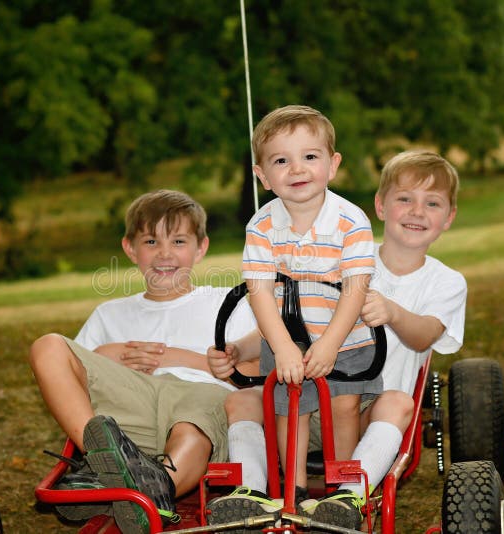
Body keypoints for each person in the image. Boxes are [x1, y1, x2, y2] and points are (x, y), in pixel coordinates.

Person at [207, 149, 467, 531]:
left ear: (449, 217)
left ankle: (348, 497)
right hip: (303, 403)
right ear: (380, 206)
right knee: (242, 399)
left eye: (432, 203)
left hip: (367, 412)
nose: (417, 211)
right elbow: (295, 321)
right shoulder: (342, 255)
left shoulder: (445, 282)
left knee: (397, 402)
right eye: (404, 199)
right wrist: (238, 350)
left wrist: (393, 312)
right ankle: (252, 493)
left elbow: (425, 335)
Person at [28, 189, 259, 534]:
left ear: (201, 248)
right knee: (47, 346)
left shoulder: (226, 302)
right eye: (151, 242)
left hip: (200, 398)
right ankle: (104, 463)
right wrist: (111, 354)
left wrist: (176, 357)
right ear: (130, 248)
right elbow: (74, 379)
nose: (164, 253)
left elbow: (253, 378)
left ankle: (149, 490)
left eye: (178, 241)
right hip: (130, 414)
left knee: (190, 427)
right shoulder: (109, 314)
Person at [235, 105, 378, 509]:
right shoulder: (261, 226)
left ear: (332, 165)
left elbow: (355, 290)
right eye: (281, 161)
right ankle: (293, 490)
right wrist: (281, 346)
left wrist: (330, 344)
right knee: (288, 407)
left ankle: (342, 490)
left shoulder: (351, 221)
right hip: (286, 335)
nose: (297, 169)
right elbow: (259, 291)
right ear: (263, 176)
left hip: (345, 337)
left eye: (309, 156)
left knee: (344, 406)